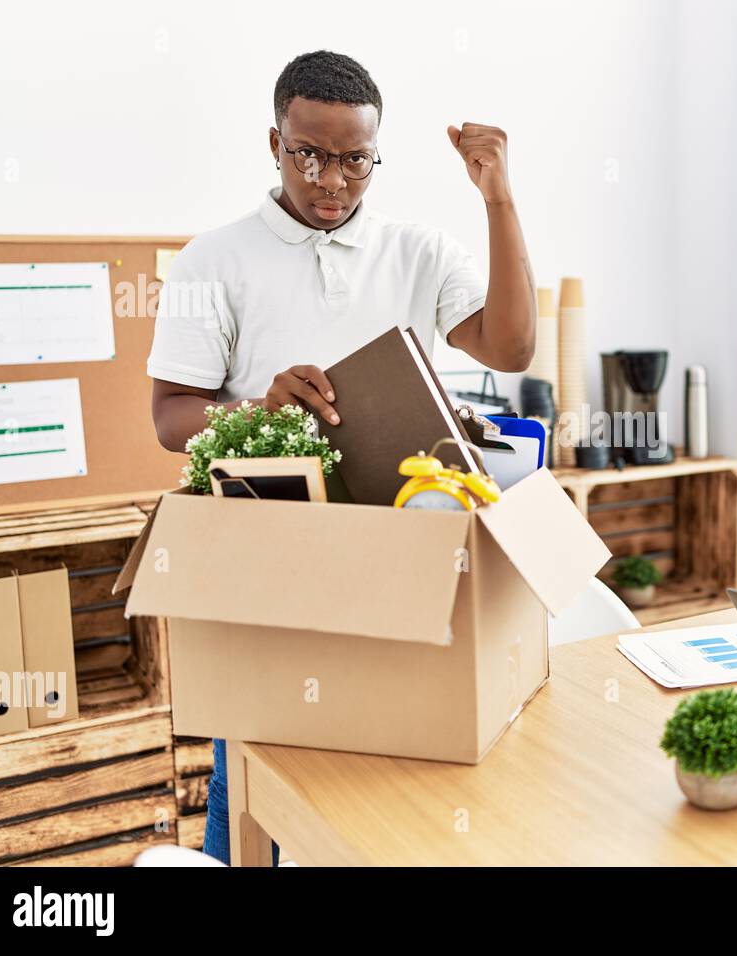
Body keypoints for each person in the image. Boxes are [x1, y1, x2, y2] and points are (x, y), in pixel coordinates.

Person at [146, 50, 536, 864]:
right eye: (308, 154)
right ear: (274, 143)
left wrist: (497, 199)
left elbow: (512, 347)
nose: (331, 179)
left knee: (385, 764)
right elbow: (170, 417)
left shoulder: (421, 251)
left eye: (355, 159)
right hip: (267, 556)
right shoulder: (211, 261)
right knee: (254, 760)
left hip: (401, 552)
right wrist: (262, 406)